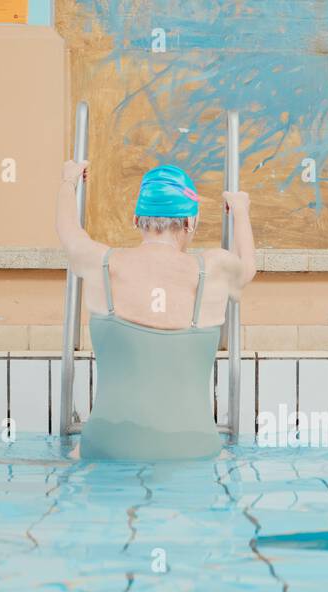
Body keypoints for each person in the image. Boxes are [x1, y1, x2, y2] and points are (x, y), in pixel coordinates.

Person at [55, 160, 257, 459]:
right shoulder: (215, 268)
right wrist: (240, 210)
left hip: (108, 447)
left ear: (137, 219)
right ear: (190, 223)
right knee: (221, 461)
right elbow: (248, 267)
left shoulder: (102, 263)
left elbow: (69, 235)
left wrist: (68, 182)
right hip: (193, 448)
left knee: (76, 458)